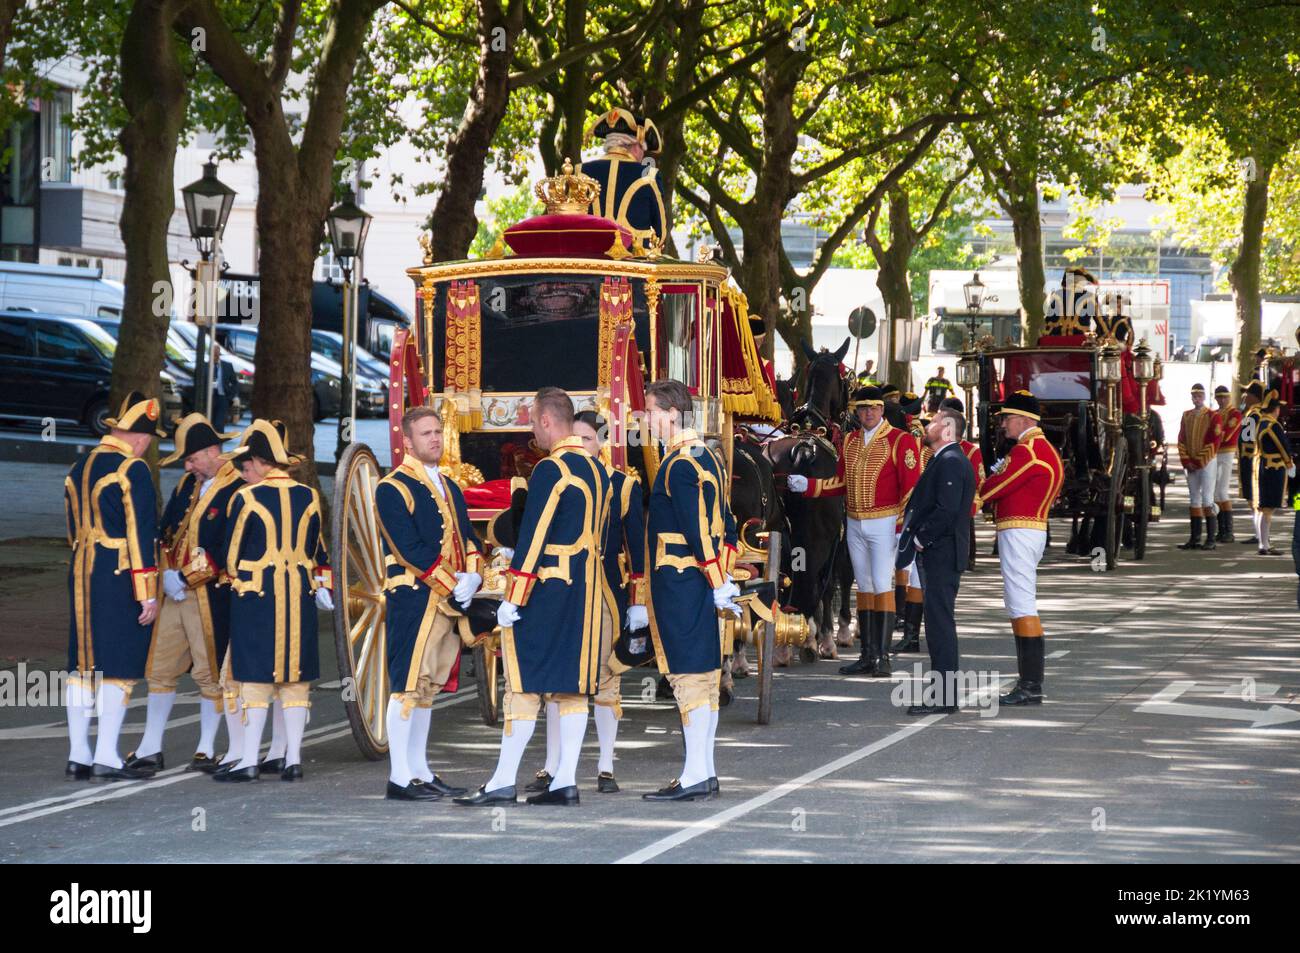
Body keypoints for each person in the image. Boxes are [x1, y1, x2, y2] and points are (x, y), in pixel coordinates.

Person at [454, 388, 611, 807]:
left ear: (545, 420)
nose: (530, 431)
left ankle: (503, 780)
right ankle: (564, 782)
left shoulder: (551, 470)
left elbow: (535, 537)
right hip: (585, 590)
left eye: (531, 421)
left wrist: (513, 596)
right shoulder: (598, 471)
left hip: (546, 591)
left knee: (523, 686)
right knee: (573, 689)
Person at [525, 410, 646, 795]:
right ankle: (552, 766)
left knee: (606, 682)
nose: (581, 445)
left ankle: (606, 766)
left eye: (588, 439)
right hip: (563, 594)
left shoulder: (623, 486)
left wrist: (638, 601)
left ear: (602, 443)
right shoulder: (557, 473)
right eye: (575, 438)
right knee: (559, 682)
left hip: (608, 596)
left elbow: (638, 551)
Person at [374, 406, 485, 801]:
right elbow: (409, 549)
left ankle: (418, 769)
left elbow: (468, 538)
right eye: (425, 433)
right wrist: (451, 582)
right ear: (407, 440)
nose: (434, 439)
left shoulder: (450, 486)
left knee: (426, 688)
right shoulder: (392, 487)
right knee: (406, 684)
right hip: (414, 597)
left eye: (438, 431)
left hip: (447, 597)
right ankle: (399, 777)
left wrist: (473, 573)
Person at [640, 379, 740, 801]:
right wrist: (723, 573)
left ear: (668, 413)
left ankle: (697, 774)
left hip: (682, 582)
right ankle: (704, 771)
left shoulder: (679, 463)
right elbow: (728, 523)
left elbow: (699, 529)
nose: (644, 420)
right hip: (699, 580)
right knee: (702, 674)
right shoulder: (709, 456)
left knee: (689, 677)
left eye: (648, 412)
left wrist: (717, 580)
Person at [216, 420, 332, 782]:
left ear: (263, 462)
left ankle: (249, 760)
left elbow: (231, 554)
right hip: (298, 592)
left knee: (254, 677)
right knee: (295, 680)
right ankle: (293, 760)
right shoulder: (309, 496)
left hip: (256, 595)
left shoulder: (245, 497)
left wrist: (237, 576)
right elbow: (318, 548)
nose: (245, 471)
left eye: (248, 464)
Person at [127, 413, 242, 775]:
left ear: (213, 451)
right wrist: (165, 577)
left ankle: (206, 748)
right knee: (159, 669)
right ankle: (150, 747)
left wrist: (188, 577)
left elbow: (230, 547)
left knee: (209, 673)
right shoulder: (186, 486)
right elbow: (165, 531)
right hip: (173, 592)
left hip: (211, 594)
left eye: (192, 459)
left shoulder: (237, 487)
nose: (189, 467)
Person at [63, 391, 164, 782]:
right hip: (119, 573)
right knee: (118, 664)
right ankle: (107, 754)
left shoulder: (78, 465)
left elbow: (71, 528)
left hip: (82, 569)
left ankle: (79, 754)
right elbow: (141, 534)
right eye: (148, 442)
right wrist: (148, 592)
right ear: (139, 438)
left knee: (82, 664)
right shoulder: (131, 470)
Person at [978, 391, 1064, 706]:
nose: (1002, 425)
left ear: (1024, 420)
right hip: (1027, 530)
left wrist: (979, 488)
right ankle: (1028, 682)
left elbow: (993, 487)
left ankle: (1030, 684)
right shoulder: (1041, 450)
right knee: (1019, 602)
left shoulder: (1027, 452)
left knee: (1021, 604)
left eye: (1007, 418)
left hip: (1020, 530)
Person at [895, 408, 976, 714]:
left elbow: (946, 510)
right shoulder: (945, 459)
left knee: (940, 625)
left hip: (941, 553)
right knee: (938, 623)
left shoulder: (952, 461)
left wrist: (919, 540)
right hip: (938, 552)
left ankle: (944, 697)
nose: (926, 426)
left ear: (946, 428)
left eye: (932, 422)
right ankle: (942, 694)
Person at [837, 385, 921, 677]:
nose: (868, 413)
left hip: (886, 522)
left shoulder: (902, 440)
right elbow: (840, 482)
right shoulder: (849, 441)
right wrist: (808, 487)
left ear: (882, 410)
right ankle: (867, 655)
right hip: (855, 522)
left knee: (883, 584)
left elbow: (911, 487)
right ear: (856, 412)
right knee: (864, 585)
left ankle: (883, 657)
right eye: (863, 408)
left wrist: (902, 526)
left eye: (873, 407)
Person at [581, 107, 665, 246]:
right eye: (643, 149)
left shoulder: (580, 171)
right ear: (636, 146)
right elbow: (661, 233)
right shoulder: (650, 174)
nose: (642, 155)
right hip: (635, 263)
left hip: (590, 262)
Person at [1177, 384, 1221, 551]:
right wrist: (1186, 459)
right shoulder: (1186, 415)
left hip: (1207, 461)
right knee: (1194, 498)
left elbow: (1214, 441)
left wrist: (1199, 461)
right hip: (1191, 463)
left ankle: (1211, 538)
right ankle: (1195, 538)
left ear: (1204, 397)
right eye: (1194, 395)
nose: (1197, 398)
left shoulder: (1213, 416)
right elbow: (1181, 438)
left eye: (1199, 395)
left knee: (1207, 498)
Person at [941, 397, 984, 567]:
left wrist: (970, 507)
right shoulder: (930, 447)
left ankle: (967, 558)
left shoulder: (971, 451)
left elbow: (978, 483)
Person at [1252, 391, 1295, 556]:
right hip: (1274, 468)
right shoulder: (1272, 425)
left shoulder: (1261, 423)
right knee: (1268, 507)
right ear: (1274, 409)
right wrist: (1289, 463)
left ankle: (1265, 543)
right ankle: (1264, 544)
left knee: (1266, 508)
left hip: (1264, 466)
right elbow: (1282, 445)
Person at [1212, 385, 1241, 543]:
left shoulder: (1235, 413)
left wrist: (1213, 436)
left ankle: (1228, 530)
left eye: (1224, 397)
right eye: (1219, 397)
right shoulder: (1215, 414)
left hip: (1226, 452)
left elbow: (1227, 434)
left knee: (1222, 491)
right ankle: (1222, 529)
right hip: (1214, 453)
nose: (1222, 400)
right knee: (1215, 493)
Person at [1238, 381, 1265, 544]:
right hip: (1255, 459)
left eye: (1247, 394)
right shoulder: (1259, 412)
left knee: (1254, 498)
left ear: (1255, 397)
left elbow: (1248, 439)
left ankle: (1260, 534)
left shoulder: (1253, 414)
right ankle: (1259, 533)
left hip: (1250, 459)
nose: (1244, 396)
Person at [208, 344, 239, 431]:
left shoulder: (227, 366)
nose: (215, 355)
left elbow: (234, 382)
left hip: (222, 397)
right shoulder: (206, 366)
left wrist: (230, 397)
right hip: (210, 397)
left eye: (216, 353)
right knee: (210, 422)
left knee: (219, 423)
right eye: (213, 354)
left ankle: (219, 441)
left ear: (219, 354)